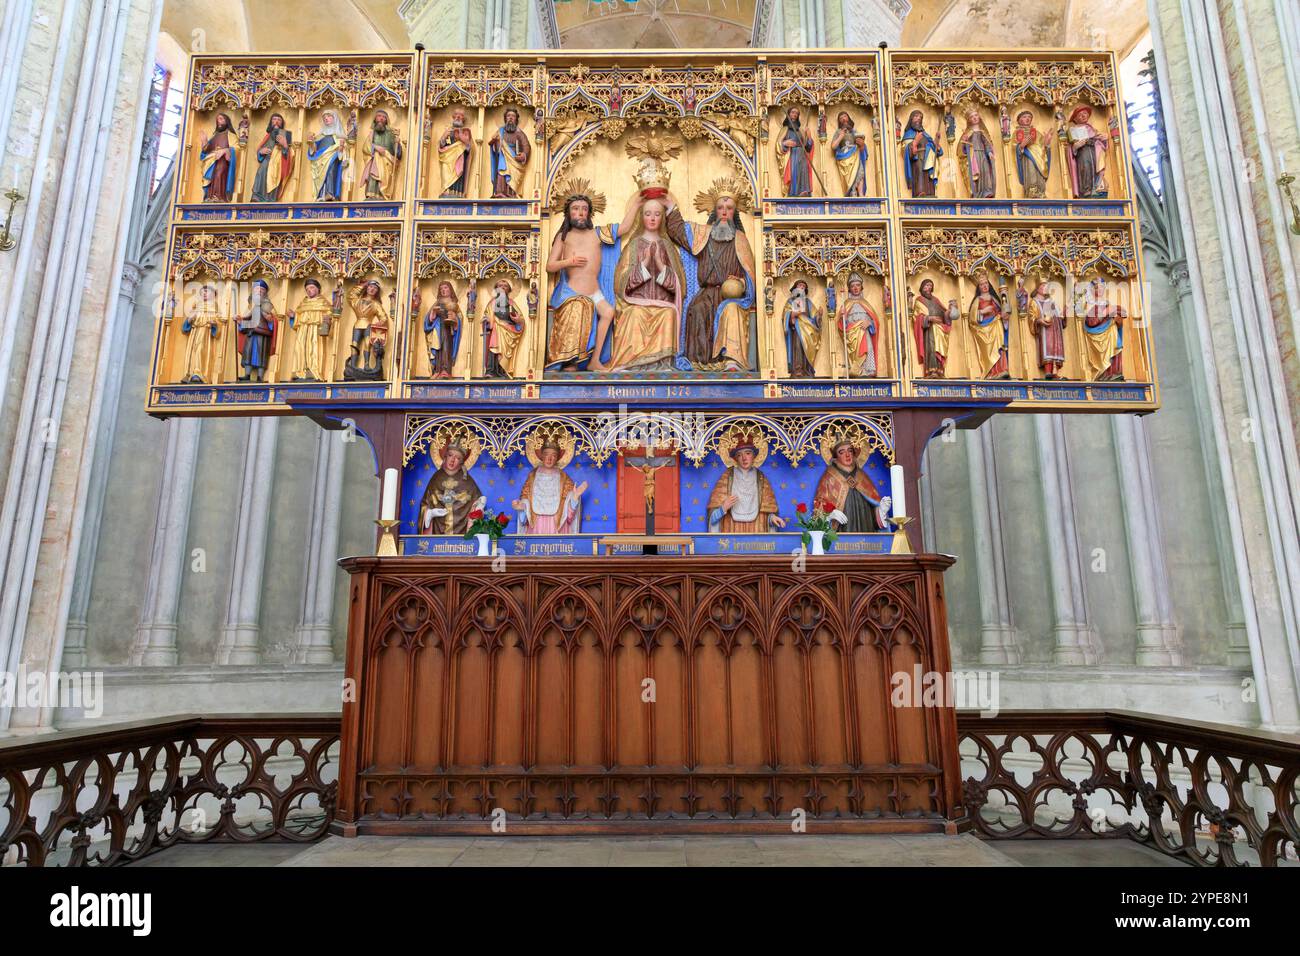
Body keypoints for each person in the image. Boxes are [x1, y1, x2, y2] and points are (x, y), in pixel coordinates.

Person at [706, 433, 785, 533]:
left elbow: (767, 511)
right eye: (739, 455)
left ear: (754, 456)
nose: (744, 458)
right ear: (735, 458)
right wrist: (723, 508)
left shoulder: (761, 478)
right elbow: (713, 518)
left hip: (757, 529)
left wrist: (772, 518)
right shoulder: (727, 477)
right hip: (731, 528)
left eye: (748, 453)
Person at [813, 436, 889, 533]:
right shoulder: (829, 476)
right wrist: (830, 515)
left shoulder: (862, 475)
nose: (847, 455)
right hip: (841, 532)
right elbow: (818, 505)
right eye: (842, 452)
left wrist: (881, 510)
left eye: (850, 450)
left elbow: (873, 504)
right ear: (835, 456)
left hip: (865, 527)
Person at [513, 437, 585, 534]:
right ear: (541, 455)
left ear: (557, 458)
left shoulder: (564, 478)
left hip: (557, 524)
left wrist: (574, 498)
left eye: (554, 455)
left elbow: (569, 516)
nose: (549, 459)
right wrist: (522, 508)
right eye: (546, 454)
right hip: (536, 524)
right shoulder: (532, 476)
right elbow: (526, 499)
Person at [419, 439, 485, 535]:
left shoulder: (467, 481)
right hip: (438, 537)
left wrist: (480, 504)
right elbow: (425, 504)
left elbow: (477, 504)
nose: (452, 460)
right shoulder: (436, 478)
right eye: (450, 455)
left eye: (457, 458)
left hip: (462, 540)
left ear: (462, 462)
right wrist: (431, 513)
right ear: (445, 457)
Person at [488, 108, 531, 199]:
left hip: (514, 159)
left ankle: (511, 193)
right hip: (502, 157)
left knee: (512, 175)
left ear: (516, 119)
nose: (510, 118)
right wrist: (495, 143)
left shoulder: (519, 133)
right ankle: (500, 192)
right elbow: (493, 144)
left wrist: (524, 155)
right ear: (505, 118)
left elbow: (526, 145)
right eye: (508, 116)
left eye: (513, 116)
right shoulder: (500, 131)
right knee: (501, 167)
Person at [782, 279, 821, 378]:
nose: (801, 288)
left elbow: (815, 317)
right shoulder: (791, 301)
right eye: (800, 286)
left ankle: (807, 369)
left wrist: (819, 315)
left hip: (809, 330)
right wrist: (792, 314)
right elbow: (786, 315)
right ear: (795, 288)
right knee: (798, 347)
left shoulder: (808, 303)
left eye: (803, 287)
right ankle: (798, 369)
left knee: (808, 349)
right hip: (798, 330)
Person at [250, 113, 292, 202]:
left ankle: (270, 199)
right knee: (261, 173)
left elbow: (290, 153)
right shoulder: (267, 136)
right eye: (274, 119)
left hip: (277, 161)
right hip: (266, 159)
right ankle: (257, 196)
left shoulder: (286, 135)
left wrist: (285, 145)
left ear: (282, 123)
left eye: (279, 120)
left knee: (273, 176)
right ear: (270, 122)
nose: (276, 122)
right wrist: (261, 151)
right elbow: (259, 150)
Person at [307, 110, 347, 201]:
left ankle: (330, 193)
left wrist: (341, 149)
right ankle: (320, 194)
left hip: (332, 158)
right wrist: (311, 143)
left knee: (331, 170)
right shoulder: (320, 136)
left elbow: (344, 153)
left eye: (329, 116)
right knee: (319, 177)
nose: (326, 118)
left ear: (335, 119)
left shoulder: (339, 136)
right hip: (319, 161)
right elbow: (313, 152)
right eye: (324, 117)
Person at [199, 113, 238, 202]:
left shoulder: (231, 135)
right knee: (212, 176)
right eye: (217, 120)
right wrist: (204, 142)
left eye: (221, 119)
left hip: (223, 160)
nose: (218, 122)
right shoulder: (215, 136)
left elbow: (237, 148)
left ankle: (219, 196)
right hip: (212, 160)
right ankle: (210, 196)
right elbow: (205, 151)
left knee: (219, 172)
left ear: (226, 121)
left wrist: (225, 151)